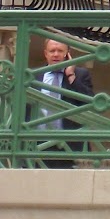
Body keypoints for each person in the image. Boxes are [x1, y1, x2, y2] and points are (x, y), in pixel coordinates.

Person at [39, 37, 93, 167]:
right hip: (37, 143)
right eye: (52, 51)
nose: (56, 54)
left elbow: (90, 103)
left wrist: (71, 76)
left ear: (67, 53)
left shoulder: (80, 74)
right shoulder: (34, 75)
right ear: (46, 53)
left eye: (60, 50)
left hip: (70, 145)